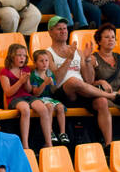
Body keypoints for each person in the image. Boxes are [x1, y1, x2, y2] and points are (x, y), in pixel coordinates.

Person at [46, 16, 115, 144]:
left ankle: (108, 145)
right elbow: (55, 81)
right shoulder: (48, 54)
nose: (63, 31)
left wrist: (88, 60)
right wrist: (68, 59)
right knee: (73, 81)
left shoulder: (78, 51)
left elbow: (88, 80)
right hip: (62, 94)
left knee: (102, 102)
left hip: (82, 92)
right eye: (59, 29)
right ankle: (112, 96)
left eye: (65, 28)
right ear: (50, 32)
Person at [0, 43, 57, 148]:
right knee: (25, 109)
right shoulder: (4, 71)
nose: (22, 58)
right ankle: (25, 145)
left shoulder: (25, 69)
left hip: (27, 96)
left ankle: (49, 143)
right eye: (19, 55)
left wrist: (26, 82)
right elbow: (8, 92)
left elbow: (29, 90)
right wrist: (20, 81)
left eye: (24, 55)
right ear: (12, 56)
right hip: (14, 98)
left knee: (43, 109)